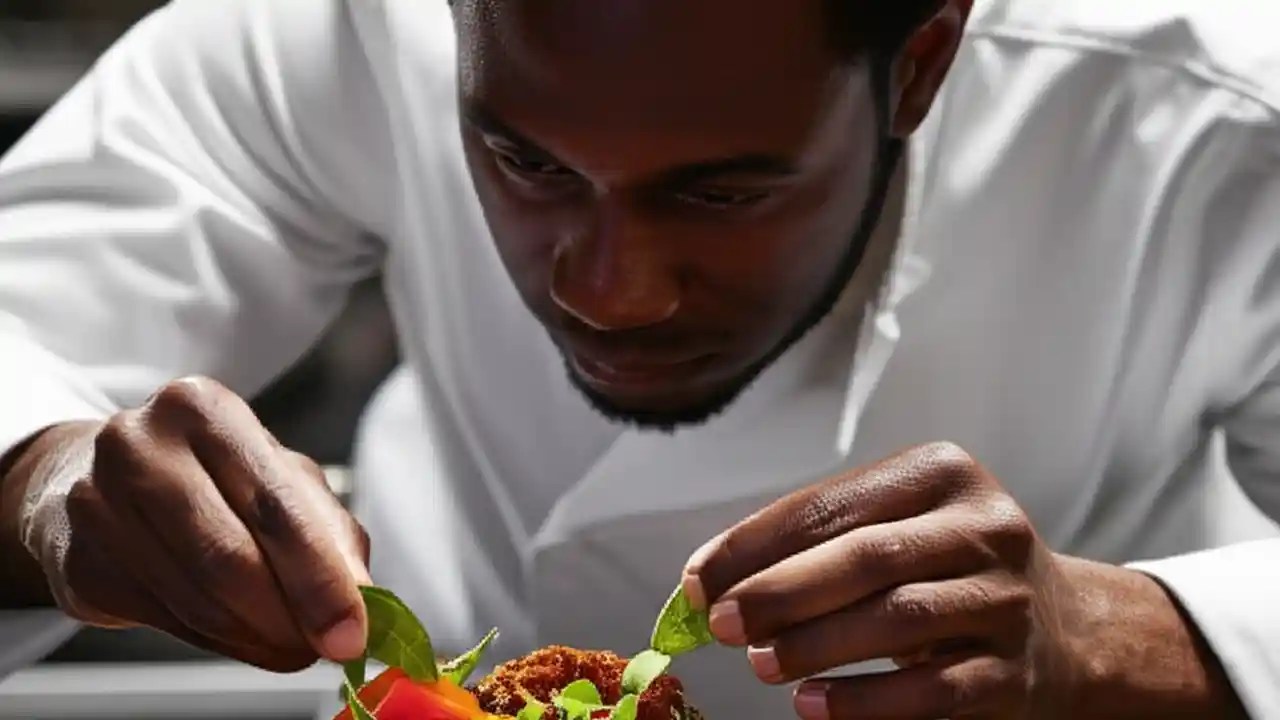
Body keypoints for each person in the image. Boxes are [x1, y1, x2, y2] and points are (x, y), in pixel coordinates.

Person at [0, 0, 1278, 716]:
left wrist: (1137, 637)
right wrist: (45, 485)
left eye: (723, 195)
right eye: (526, 164)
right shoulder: (334, 25)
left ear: (921, 64)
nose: (609, 295)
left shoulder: (1211, 117)